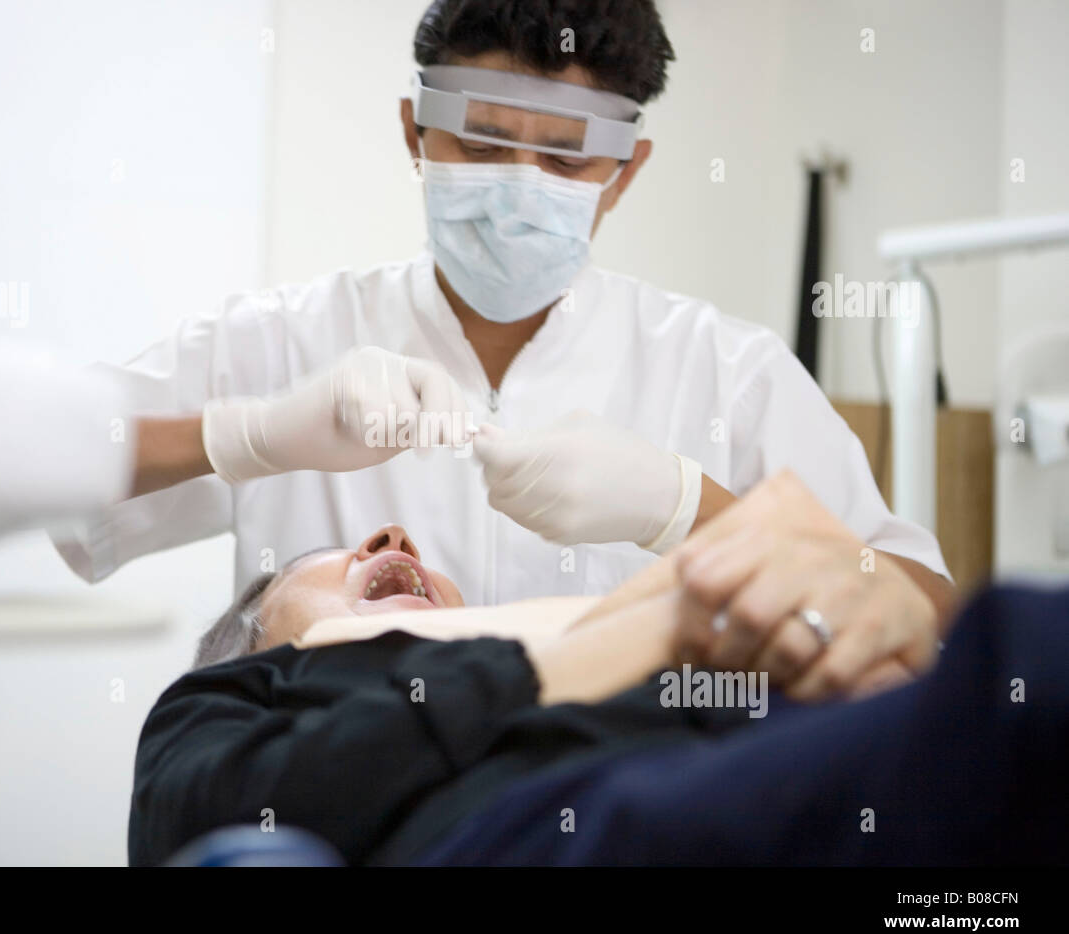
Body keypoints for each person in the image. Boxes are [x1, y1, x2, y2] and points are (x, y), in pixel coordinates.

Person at [55, 0, 952, 685]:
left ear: (623, 175)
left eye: (565, 160)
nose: (520, 187)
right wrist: (245, 435)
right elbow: (34, 473)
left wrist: (685, 508)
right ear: (414, 130)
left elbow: (930, 618)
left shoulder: (729, 376)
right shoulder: (283, 341)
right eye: (482, 143)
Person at [125, 471, 1047, 868]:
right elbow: (209, 819)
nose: (392, 537)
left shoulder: (649, 666)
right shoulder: (233, 698)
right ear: (256, 652)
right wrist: (640, 627)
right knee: (1018, 694)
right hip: (542, 840)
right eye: (316, 561)